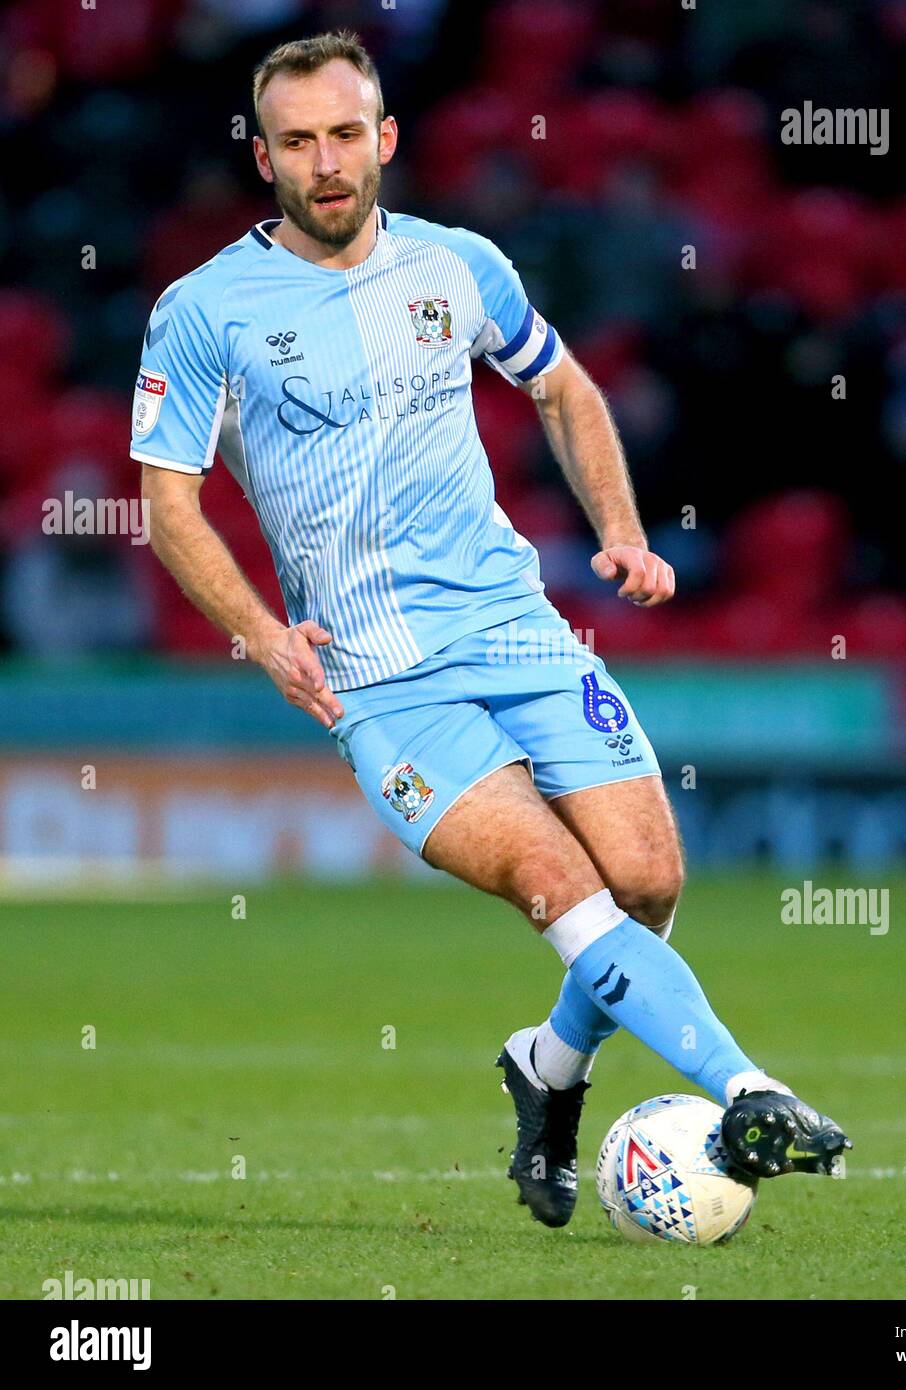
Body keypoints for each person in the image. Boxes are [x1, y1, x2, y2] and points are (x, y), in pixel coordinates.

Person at [133, 30, 849, 1230]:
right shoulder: (205, 310)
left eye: (345, 134)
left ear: (386, 139)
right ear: (262, 157)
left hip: (517, 629)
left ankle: (548, 1069)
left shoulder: (459, 265)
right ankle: (751, 1088)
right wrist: (260, 632)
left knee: (648, 878)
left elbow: (560, 386)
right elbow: (166, 503)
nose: (326, 162)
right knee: (559, 881)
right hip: (376, 677)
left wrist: (618, 528)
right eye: (298, 140)